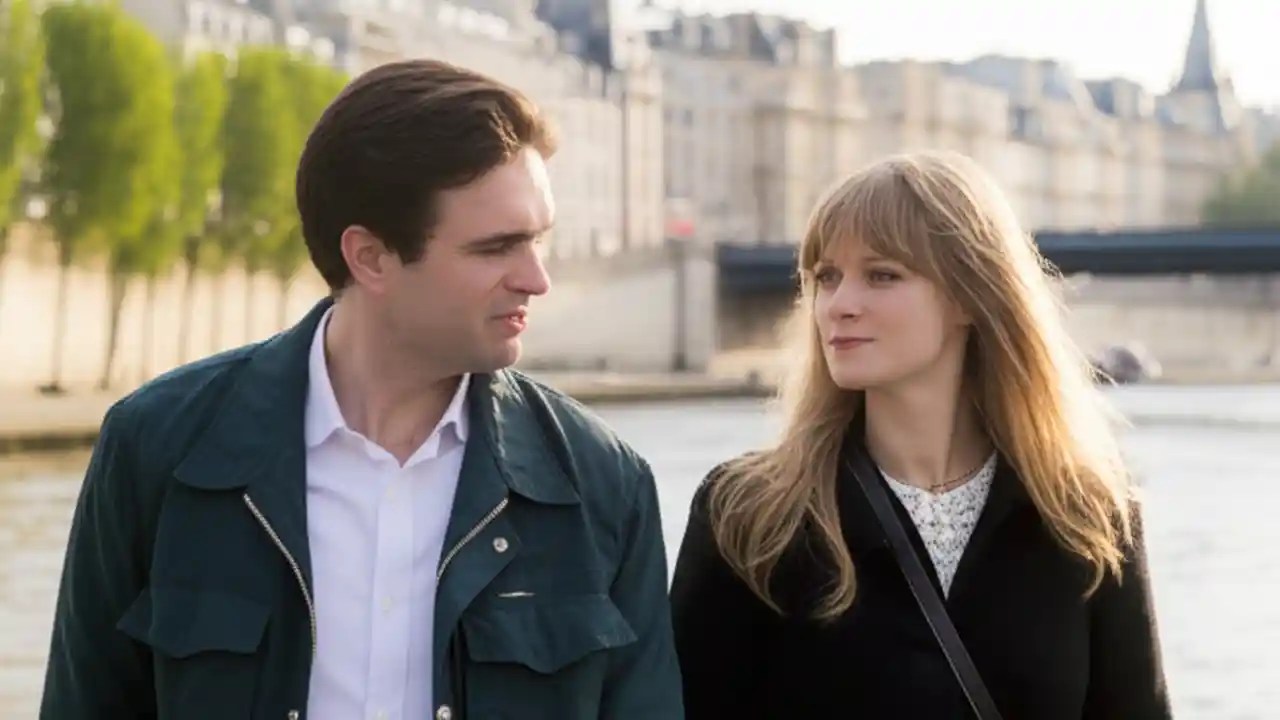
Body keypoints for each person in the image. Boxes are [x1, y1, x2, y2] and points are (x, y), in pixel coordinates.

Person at [40, 59, 683, 720]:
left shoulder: (603, 485)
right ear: (370, 257)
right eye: (497, 248)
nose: (537, 279)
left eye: (539, 240)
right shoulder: (156, 450)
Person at [670, 151, 1171, 719]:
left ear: (969, 296)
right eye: (826, 277)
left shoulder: (1090, 516)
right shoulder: (749, 515)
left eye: (881, 275)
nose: (839, 306)